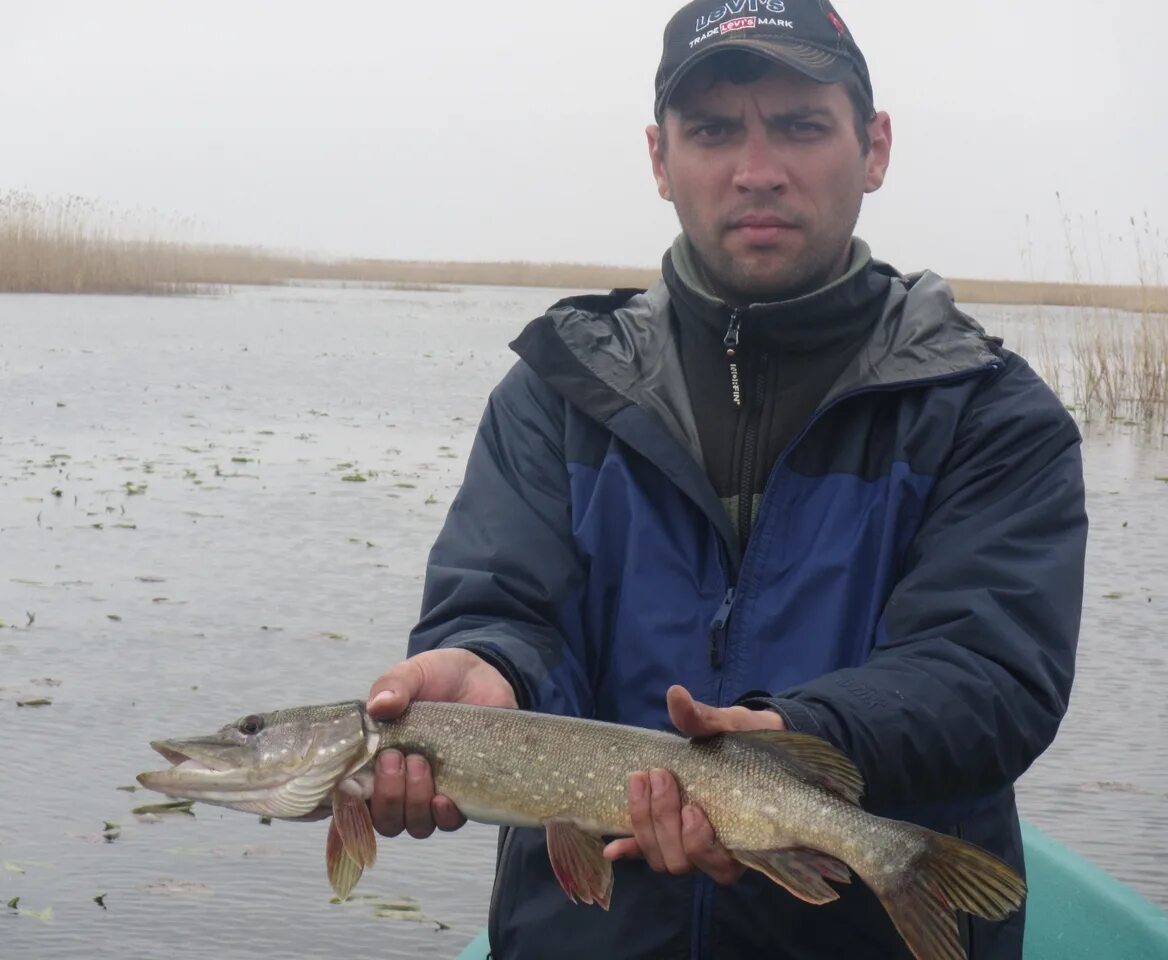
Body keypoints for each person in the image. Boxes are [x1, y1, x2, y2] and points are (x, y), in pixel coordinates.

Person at [363, 1, 1087, 957]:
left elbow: (986, 675)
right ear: (661, 160)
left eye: (799, 124)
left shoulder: (989, 412)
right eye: (712, 130)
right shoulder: (554, 395)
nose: (757, 170)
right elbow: (507, 606)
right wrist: (485, 668)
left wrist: (787, 745)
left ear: (873, 148)